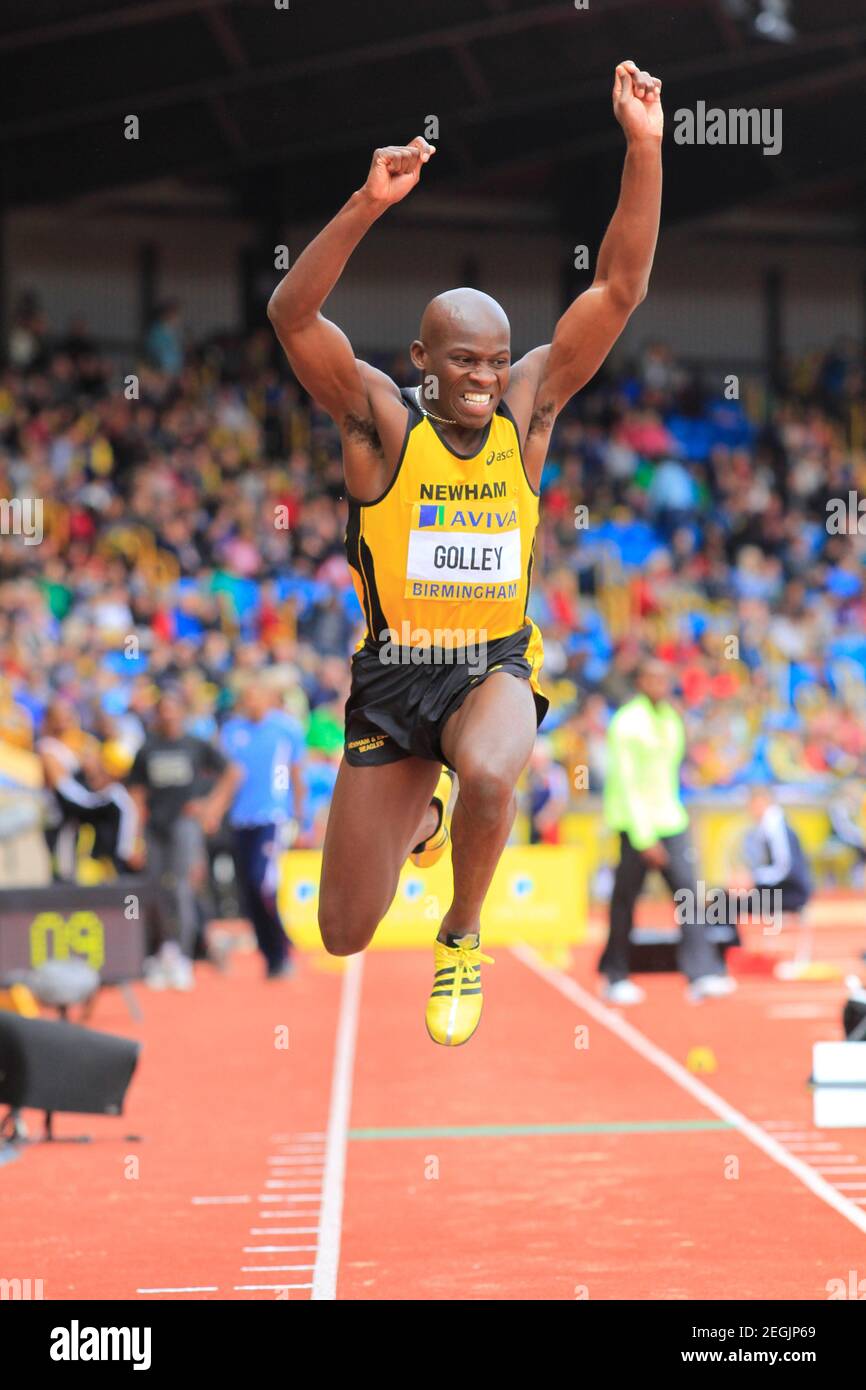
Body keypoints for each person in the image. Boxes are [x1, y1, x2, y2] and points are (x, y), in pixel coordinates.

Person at [268, 60, 665, 1045]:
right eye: (461, 361)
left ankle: (460, 931)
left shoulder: (528, 411)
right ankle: (424, 821)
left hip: (490, 663)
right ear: (420, 363)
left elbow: (616, 286)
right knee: (342, 930)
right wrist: (367, 202)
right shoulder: (378, 427)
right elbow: (292, 317)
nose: (484, 377)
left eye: (495, 359)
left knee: (491, 772)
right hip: (394, 677)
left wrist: (644, 149)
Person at [600, 657, 734, 1004]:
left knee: (688, 896)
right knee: (625, 902)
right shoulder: (627, 722)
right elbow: (627, 783)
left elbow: (671, 774)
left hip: (671, 819)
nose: (659, 685)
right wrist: (645, 837)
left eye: (664, 679)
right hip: (635, 825)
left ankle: (701, 972)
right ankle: (615, 976)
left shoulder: (672, 719)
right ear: (641, 681)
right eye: (652, 679)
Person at [127, 690, 239, 990]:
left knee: (181, 889)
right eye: (163, 710)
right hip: (155, 827)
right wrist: (135, 836)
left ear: (182, 713)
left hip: (184, 825)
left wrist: (211, 808)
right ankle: (164, 951)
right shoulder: (147, 749)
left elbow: (231, 773)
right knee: (155, 889)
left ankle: (184, 955)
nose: (168, 715)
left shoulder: (195, 745)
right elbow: (136, 794)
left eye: (173, 709)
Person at [220, 681, 306, 980]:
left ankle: (281, 948)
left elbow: (296, 774)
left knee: (263, 883)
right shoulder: (233, 731)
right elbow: (228, 775)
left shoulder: (287, 729)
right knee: (248, 889)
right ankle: (269, 955)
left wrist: (299, 816)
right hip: (241, 819)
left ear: (269, 698)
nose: (251, 703)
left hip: (273, 816)